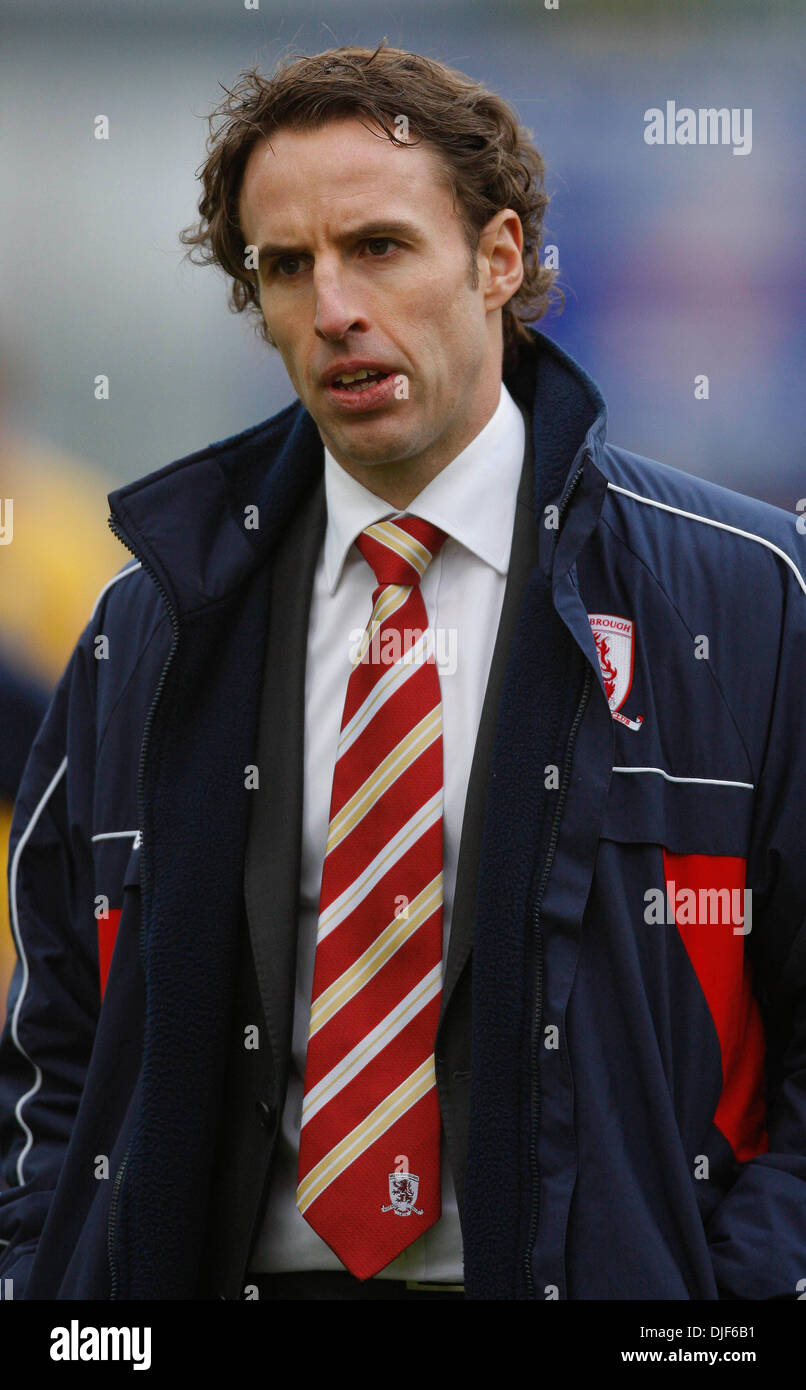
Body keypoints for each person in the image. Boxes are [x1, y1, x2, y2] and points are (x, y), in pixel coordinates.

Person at [1, 41, 805, 1303]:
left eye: (376, 247)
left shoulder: (746, 594)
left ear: (497, 260)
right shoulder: (145, 630)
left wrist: (729, 1299)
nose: (330, 308)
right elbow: (54, 1049)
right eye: (284, 267)